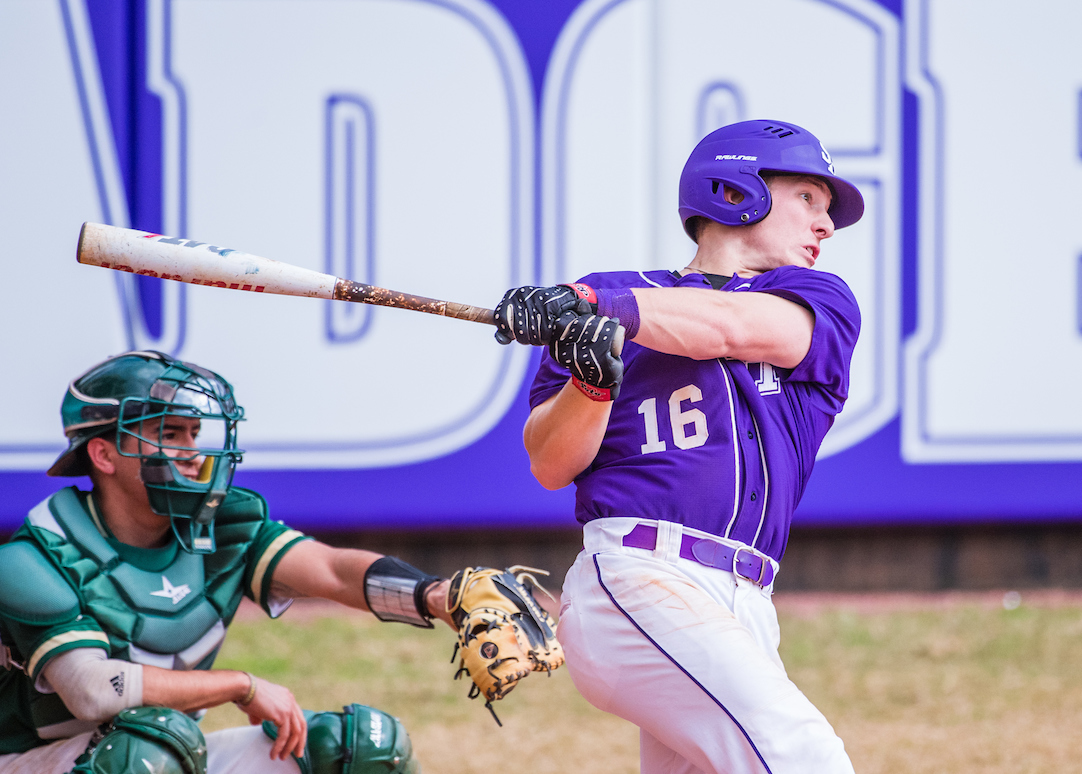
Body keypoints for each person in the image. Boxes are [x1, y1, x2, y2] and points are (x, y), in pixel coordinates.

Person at [492, 119, 864, 773]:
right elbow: (550, 464)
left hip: (746, 602)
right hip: (639, 578)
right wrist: (592, 380)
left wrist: (597, 306)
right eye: (809, 197)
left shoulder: (816, 299)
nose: (826, 224)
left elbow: (731, 324)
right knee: (805, 759)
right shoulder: (612, 294)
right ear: (733, 190)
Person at [0, 350, 463, 774]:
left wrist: (433, 596)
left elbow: (331, 571)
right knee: (142, 756)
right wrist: (242, 685)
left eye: (194, 433)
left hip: (171, 752)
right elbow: (93, 691)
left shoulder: (221, 526)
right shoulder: (34, 557)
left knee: (359, 747)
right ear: (103, 453)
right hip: (34, 760)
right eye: (169, 433)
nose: (193, 452)